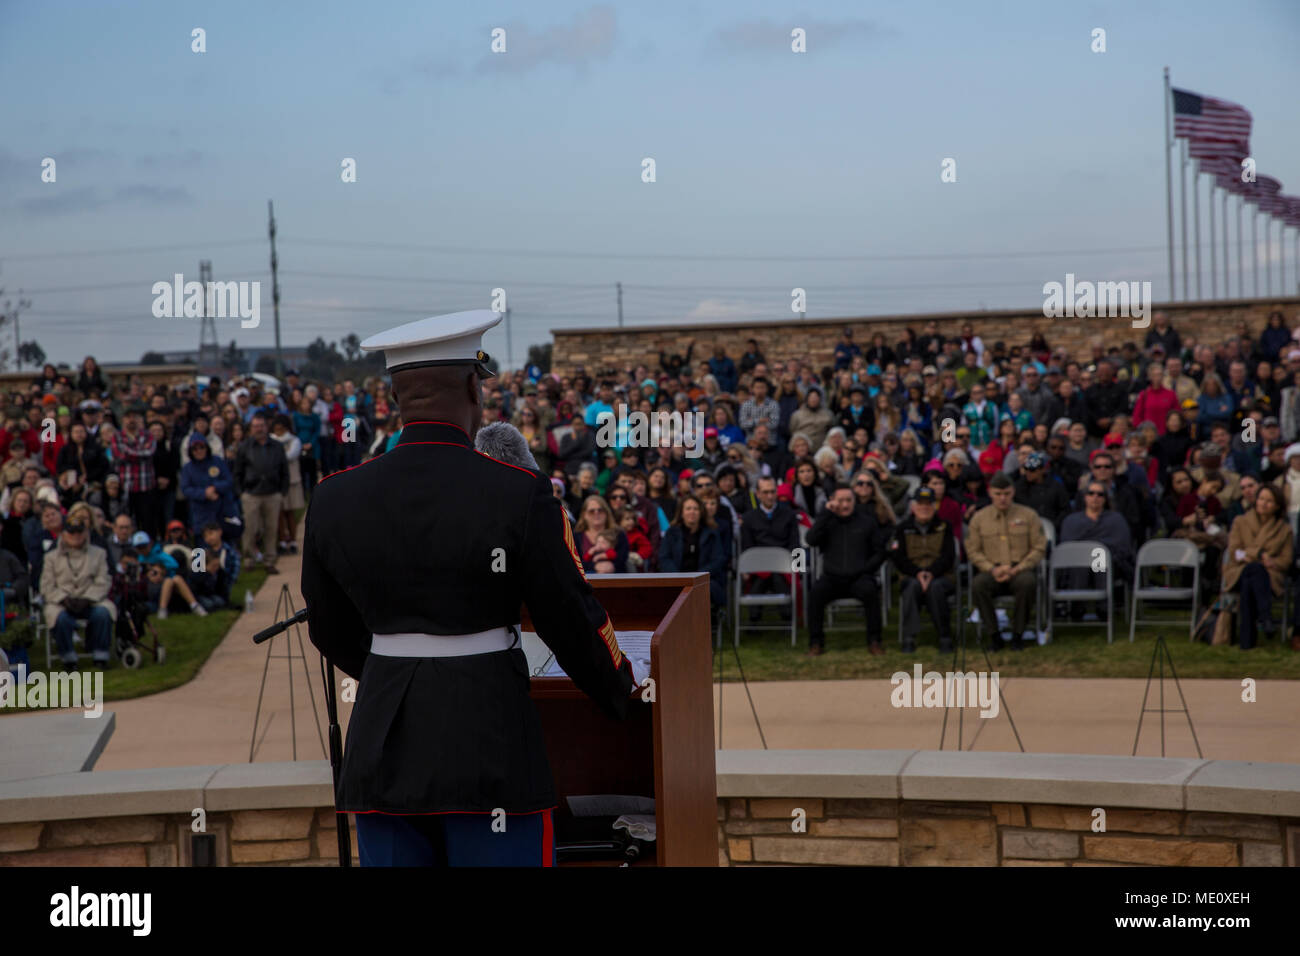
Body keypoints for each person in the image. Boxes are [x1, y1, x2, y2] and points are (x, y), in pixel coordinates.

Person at [302, 310, 636, 867]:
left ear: (396, 397)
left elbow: (327, 624)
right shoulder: (517, 492)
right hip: (490, 741)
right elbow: (567, 616)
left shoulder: (335, 497)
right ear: (470, 388)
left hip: (384, 742)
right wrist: (619, 689)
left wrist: (398, 668)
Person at [805, 483, 889, 656]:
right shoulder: (826, 521)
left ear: (854, 501)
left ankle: (874, 641)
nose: (844, 505)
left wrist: (866, 569)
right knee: (815, 593)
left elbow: (880, 551)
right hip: (832, 577)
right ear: (832, 501)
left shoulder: (867, 521)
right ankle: (815, 643)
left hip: (860, 577)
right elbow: (810, 540)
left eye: (848, 500)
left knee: (870, 592)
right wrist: (826, 513)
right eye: (840, 500)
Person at [966, 472, 1046, 651]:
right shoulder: (979, 518)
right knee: (978, 585)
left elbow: (1039, 547)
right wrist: (992, 569)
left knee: (1027, 583)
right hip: (992, 571)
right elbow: (973, 550)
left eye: (1007, 494)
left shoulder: (1028, 515)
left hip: (1019, 569)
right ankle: (994, 635)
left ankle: (1018, 634)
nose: (1002, 498)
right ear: (990, 493)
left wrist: (1017, 569)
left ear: (1013, 492)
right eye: (998, 494)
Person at [40, 515, 117, 669]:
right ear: (63, 534)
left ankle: (100, 656)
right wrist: (63, 599)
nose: (76, 536)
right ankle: (68, 658)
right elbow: (46, 585)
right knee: (59, 618)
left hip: (91, 600)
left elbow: (104, 581)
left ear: (86, 533)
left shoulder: (99, 553)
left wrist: (88, 599)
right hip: (62, 602)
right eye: (72, 532)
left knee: (103, 612)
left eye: (79, 532)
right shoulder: (51, 557)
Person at [1224, 485, 1292, 650]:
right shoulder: (1240, 522)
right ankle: (1265, 617)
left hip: (1269, 574)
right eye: (1261, 499)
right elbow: (1235, 552)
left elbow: (1286, 560)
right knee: (1253, 570)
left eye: (1269, 501)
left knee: (1252, 578)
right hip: (1239, 571)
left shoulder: (1284, 530)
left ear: (1277, 506)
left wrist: (1273, 562)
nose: (1263, 503)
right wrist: (1261, 554)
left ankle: (1247, 643)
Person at [889, 486, 957, 653]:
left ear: (934, 506)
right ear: (913, 507)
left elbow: (948, 556)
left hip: (941, 575)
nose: (924, 508)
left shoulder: (944, 526)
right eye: (920, 504)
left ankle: (944, 637)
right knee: (912, 587)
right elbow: (898, 558)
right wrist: (918, 573)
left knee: (936, 587)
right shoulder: (902, 528)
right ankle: (909, 638)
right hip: (911, 575)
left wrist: (931, 573)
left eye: (928, 504)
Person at [1059, 480, 1135, 615]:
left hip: (1109, 563)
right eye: (1091, 493)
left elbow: (1122, 546)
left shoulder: (1116, 519)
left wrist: (1095, 550)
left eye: (1100, 494)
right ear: (1084, 497)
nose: (1095, 497)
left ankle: (1104, 608)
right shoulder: (1072, 520)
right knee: (1081, 562)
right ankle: (1076, 608)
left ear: (1105, 499)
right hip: (1078, 563)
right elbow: (1066, 547)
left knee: (1099, 559)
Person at [232, 411, 288, 574]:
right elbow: (237, 472)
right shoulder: (244, 447)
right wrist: (240, 492)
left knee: (271, 529)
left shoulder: (277, 446)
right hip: (251, 494)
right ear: (251, 428)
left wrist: (282, 491)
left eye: (261, 425)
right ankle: (249, 560)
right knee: (250, 529)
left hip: (273, 494)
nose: (259, 429)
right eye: (255, 426)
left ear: (266, 426)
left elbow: (284, 470)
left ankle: (269, 561)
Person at [658, 492, 727, 615]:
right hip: (677, 580)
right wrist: (679, 578)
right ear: (682, 512)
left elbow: (718, 559)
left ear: (701, 512)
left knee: (704, 590)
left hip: (704, 581)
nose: (692, 512)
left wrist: (698, 577)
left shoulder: (711, 534)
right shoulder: (671, 533)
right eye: (688, 508)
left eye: (695, 509)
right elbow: (664, 558)